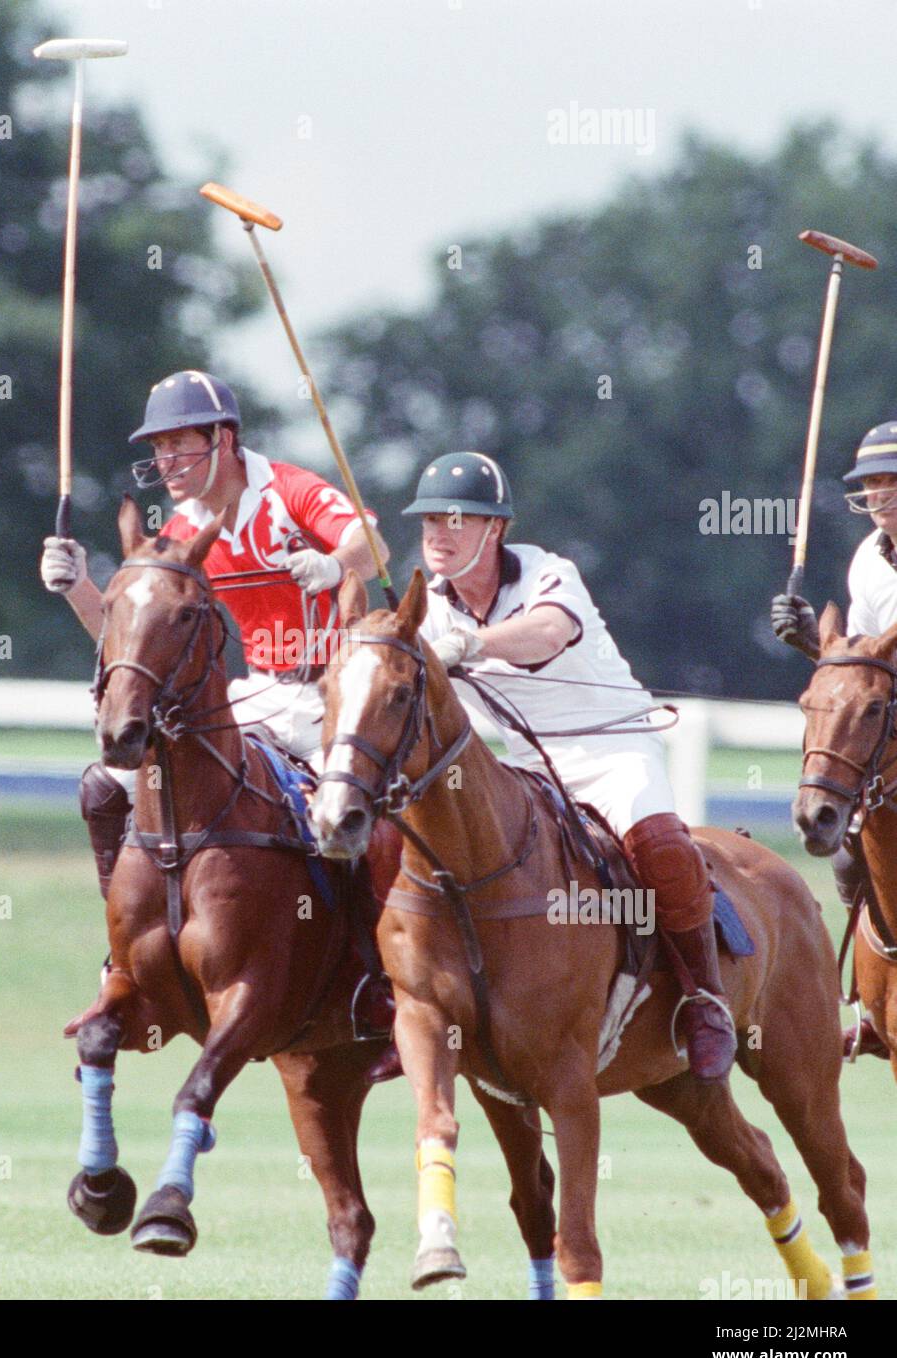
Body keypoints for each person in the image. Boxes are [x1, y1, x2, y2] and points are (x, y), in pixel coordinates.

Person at [40, 369, 394, 1040]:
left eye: (180, 447)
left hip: (335, 698)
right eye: (158, 450)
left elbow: (372, 545)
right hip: (254, 695)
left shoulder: (289, 492)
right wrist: (79, 587)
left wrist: (335, 565)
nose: (165, 464)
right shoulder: (182, 528)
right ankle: (125, 967)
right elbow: (132, 641)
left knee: (360, 820)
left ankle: (378, 979)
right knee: (109, 788)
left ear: (224, 439)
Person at [405, 451, 737, 1082]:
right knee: (430, 846)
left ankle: (704, 1000)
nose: (437, 535)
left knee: (660, 843)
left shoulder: (546, 574)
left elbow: (547, 634)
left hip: (613, 748)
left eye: (455, 520)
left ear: (494, 529)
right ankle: (419, 1003)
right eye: (429, 522)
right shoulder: (431, 605)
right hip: (528, 763)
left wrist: (471, 643)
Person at [771, 420, 897, 1058]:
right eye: (871, 484)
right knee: (852, 852)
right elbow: (866, 672)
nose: (880, 496)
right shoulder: (867, 560)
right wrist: (813, 648)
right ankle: (874, 1003)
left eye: (891, 482)